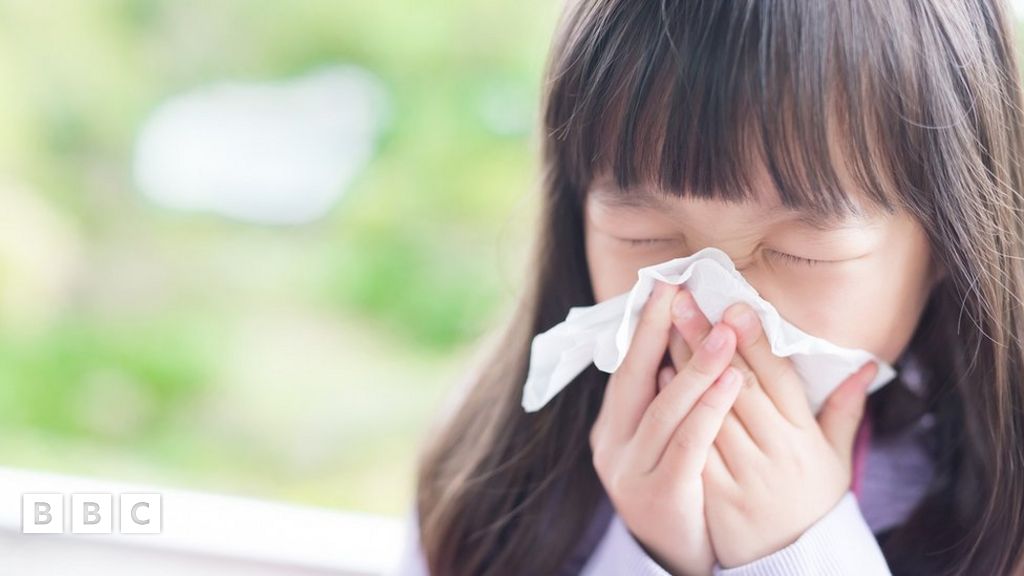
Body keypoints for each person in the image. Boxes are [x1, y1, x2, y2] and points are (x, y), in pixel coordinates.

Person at [392, 0, 1024, 574]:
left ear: (954, 239)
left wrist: (799, 552)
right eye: (644, 237)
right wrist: (658, 555)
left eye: (799, 251)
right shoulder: (495, 477)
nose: (716, 313)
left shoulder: (1007, 513)